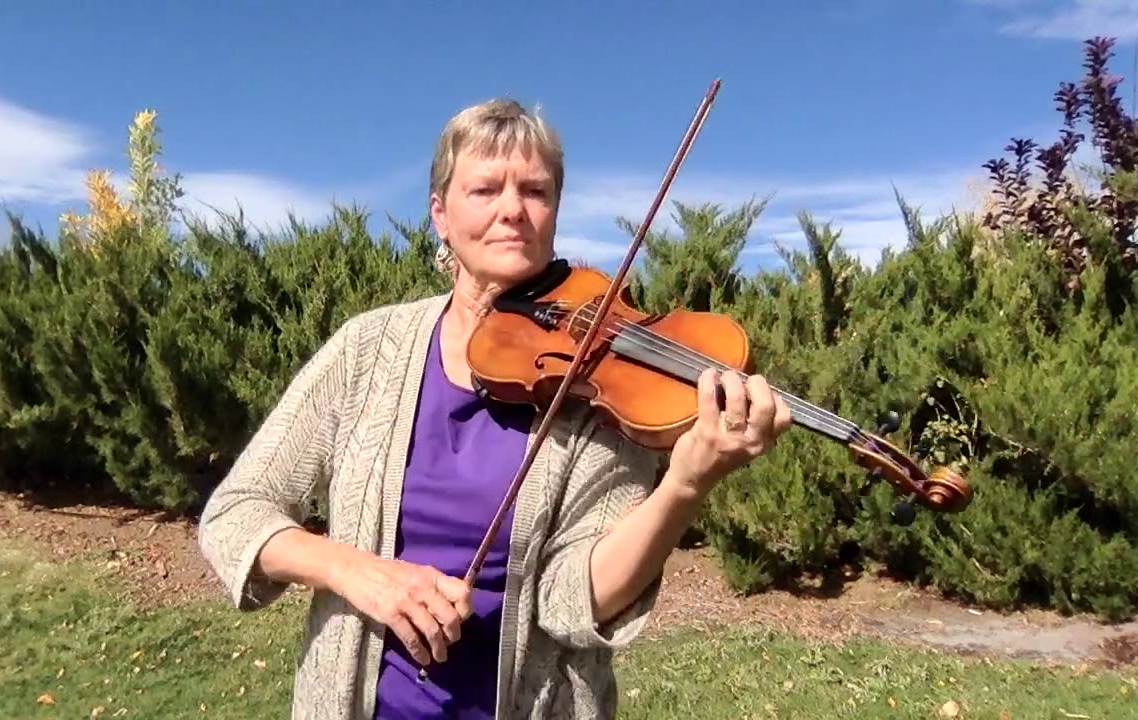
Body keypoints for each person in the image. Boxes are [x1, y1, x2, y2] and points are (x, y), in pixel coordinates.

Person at [197, 97, 792, 720]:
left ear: (554, 212)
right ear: (440, 216)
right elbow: (235, 514)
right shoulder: (367, 349)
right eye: (485, 189)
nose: (513, 209)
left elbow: (571, 601)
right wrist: (357, 572)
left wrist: (686, 483)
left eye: (535, 190)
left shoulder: (602, 380)